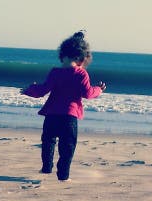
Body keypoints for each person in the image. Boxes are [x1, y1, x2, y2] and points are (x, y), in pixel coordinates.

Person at [20, 31, 106, 181]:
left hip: (51, 115)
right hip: (69, 117)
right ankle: (63, 176)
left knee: (48, 142)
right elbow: (88, 93)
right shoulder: (81, 74)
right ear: (81, 58)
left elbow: (42, 90)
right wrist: (99, 89)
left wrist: (29, 89)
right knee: (67, 147)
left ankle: (46, 168)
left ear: (62, 55)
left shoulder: (55, 72)